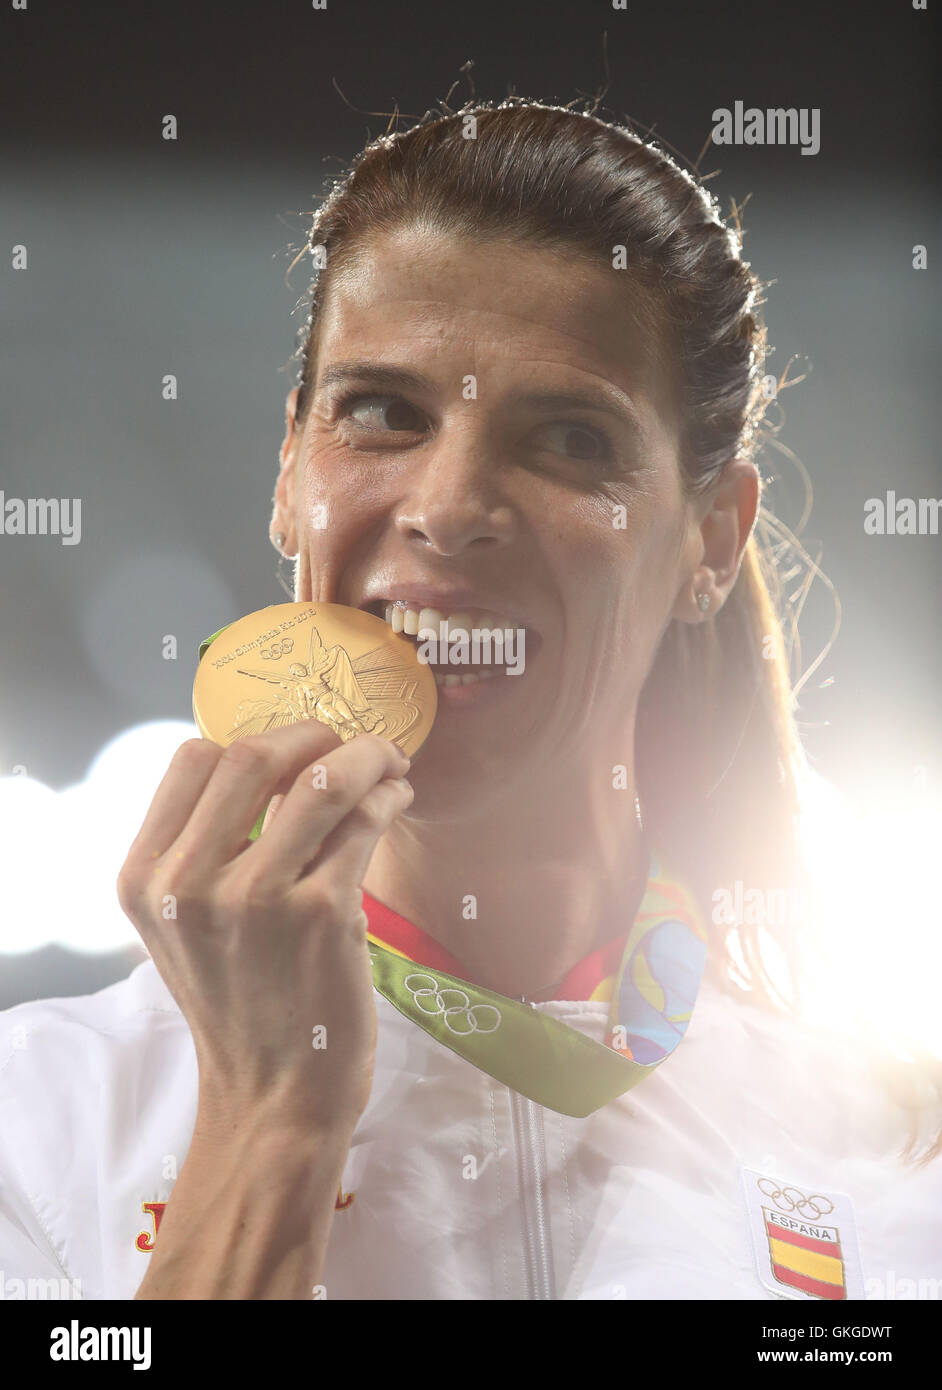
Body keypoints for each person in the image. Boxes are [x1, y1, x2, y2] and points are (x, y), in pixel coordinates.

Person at [0, 97, 939, 1302]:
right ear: (289, 468)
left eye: (570, 438)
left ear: (712, 538)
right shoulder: (37, 1119)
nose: (449, 504)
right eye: (384, 412)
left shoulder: (901, 1154)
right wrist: (271, 1121)